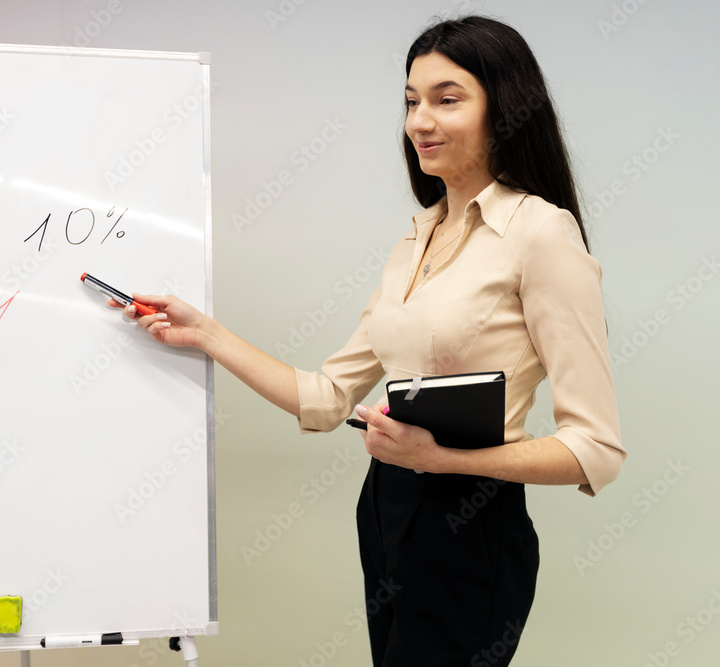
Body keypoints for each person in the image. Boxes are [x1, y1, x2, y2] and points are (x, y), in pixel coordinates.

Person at [110, 15, 625, 667]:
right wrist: (204, 332)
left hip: (469, 521)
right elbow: (325, 398)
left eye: (446, 98)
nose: (420, 122)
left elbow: (596, 449)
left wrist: (446, 460)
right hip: (385, 510)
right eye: (411, 101)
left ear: (505, 107)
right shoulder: (418, 237)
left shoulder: (541, 234)